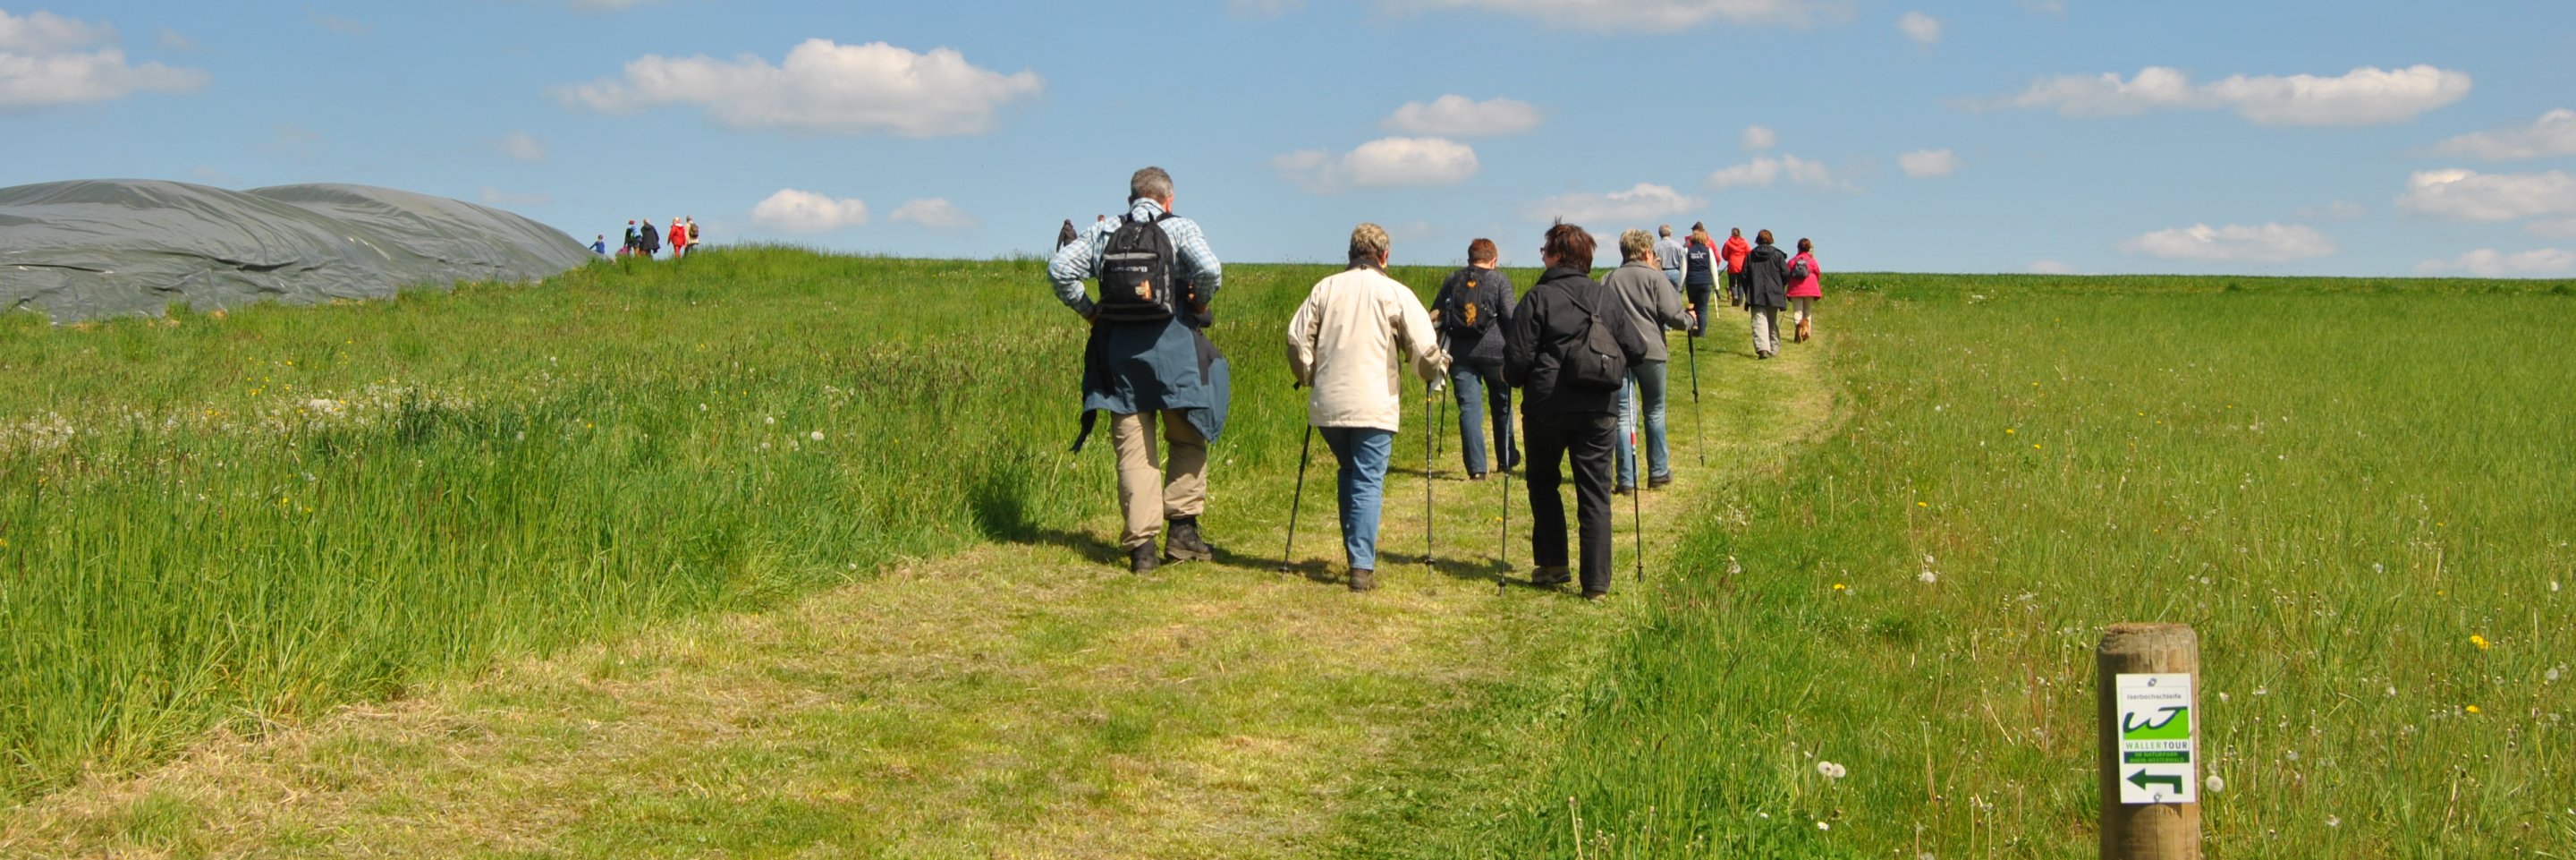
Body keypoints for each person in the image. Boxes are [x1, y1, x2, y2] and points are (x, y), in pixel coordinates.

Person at [1046, 166, 1230, 573]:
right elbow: (1210, 270)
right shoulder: (1181, 228)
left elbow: (1059, 270)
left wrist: (1091, 313)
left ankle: (1142, 549)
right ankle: (1182, 534)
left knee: (1134, 450)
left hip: (1119, 356)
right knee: (1186, 439)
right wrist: (1199, 303)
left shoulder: (1105, 231)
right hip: (1176, 348)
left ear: (1132, 199)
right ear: (1169, 199)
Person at [1284, 224, 1450, 592]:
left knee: (1349, 472)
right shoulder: (1395, 292)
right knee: (1367, 480)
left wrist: (1309, 374)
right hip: (1375, 402)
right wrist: (1431, 371)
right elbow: (1424, 349)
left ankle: (1354, 556)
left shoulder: (1324, 288)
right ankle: (1361, 567)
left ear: (1351, 252)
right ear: (1384, 256)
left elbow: (1297, 340)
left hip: (1329, 403)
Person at [1504, 221, 1652, 600]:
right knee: (1595, 492)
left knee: (1543, 482)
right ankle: (1597, 584)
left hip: (1546, 406)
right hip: (1598, 405)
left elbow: (1517, 363)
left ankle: (1553, 564)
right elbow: (1636, 349)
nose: (1542, 257)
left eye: (1544, 251)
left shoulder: (1538, 298)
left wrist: (1515, 376)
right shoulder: (1606, 299)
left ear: (1556, 256)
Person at [1605, 229, 1693, 493]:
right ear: (1647, 252)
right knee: (1654, 410)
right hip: (1652, 351)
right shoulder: (1655, 277)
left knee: (1622, 415)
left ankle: (1626, 478)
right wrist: (1689, 321)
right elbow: (1673, 314)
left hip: (1619, 352)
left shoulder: (1609, 279)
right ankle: (1658, 471)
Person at [1430, 238, 1518, 480]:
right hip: (1496, 354)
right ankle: (1506, 460)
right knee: (1502, 405)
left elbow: (1436, 313)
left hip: (1461, 354)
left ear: (1469, 258)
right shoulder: (1499, 280)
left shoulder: (1453, 279)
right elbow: (1511, 316)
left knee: (1469, 409)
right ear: (1494, 259)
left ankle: (1477, 469)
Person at [1740, 229, 1794, 359]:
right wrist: (1781, 285)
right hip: (1774, 293)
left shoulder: (1750, 255)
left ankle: (1763, 349)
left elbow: (1744, 275)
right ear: (1771, 239)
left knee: (1759, 321)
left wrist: (1748, 289)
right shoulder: (1778, 255)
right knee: (1771, 321)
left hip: (1756, 293)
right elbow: (1786, 273)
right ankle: (1774, 348)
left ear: (1757, 240)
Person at [1682, 223, 1721, 336]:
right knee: (1703, 309)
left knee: (1693, 306)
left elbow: (1684, 270)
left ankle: (1694, 326)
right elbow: (1713, 269)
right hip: (1705, 282)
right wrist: (1717, 286)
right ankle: (1702, 333)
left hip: (1692, 282)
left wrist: (1681, 286)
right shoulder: (1708, 251)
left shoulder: (1687, 251)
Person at [1787, 237, 1822, 343]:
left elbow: (1786, 274)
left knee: (1798, 311)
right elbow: (1818, 274)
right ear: (1809, 248)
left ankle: (1798, 332)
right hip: (1810, 289)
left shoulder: (1792, 261)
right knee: (1807, 312)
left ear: (1798, 248)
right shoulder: (1812, 261)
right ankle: (1806, 331)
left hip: (1796, 290)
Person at [1721, 226, 1751, 307]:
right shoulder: (1745, 242)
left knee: (1732, 283)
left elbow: (1724, 254)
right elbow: (1749, 252)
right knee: (1741, 284)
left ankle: (1735, 295)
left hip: (1732, 264)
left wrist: (1729, 258)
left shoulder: (1728, 243)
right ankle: (1740, 302)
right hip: (1742, 265)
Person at [1654, 225, 1687, 293]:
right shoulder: (1678, 246)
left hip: (1661, 273)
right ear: (1670, 233)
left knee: (1662, 295)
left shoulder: (1655, 247)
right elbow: (1684, 261)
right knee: (1677, 295)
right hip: (1676, 272)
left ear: (1659, 234)